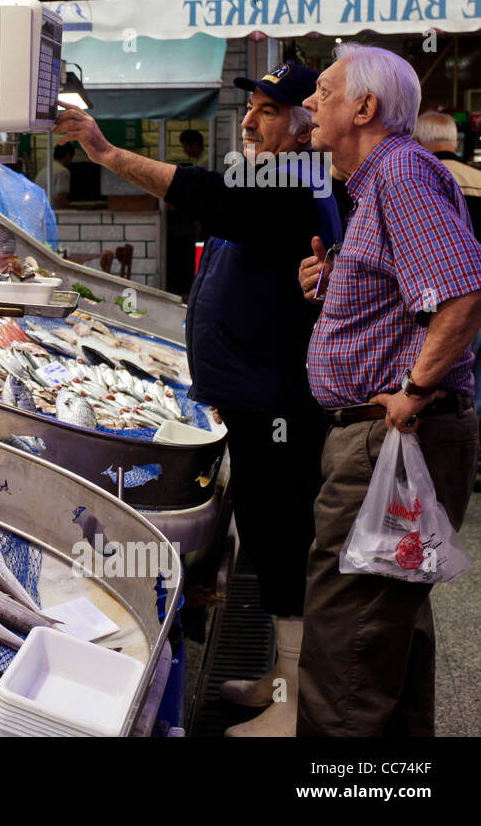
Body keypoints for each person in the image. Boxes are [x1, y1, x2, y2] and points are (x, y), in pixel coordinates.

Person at [55, 61, 337, 737]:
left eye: (269, 110)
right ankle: (280, 683)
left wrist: (105, 152)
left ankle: (295, 707)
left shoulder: (297, 179)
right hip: (249, 397)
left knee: (282, 540)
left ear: (305, 128)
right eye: (253, 107)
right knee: (269, 542)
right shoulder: (284, 177)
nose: (249, 120)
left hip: (277, 404)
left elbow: (205, 193)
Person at [296, 43, 481, 736]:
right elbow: (414, 294)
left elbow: (461, 296)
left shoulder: (400, 173)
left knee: (348, 650)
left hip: (395, 438)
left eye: (323, 90)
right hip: (388, 438)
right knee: (386, 639)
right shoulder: (376, 184)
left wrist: (413, 389)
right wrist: (336, 279)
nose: (310, 104)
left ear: (364, 107)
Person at [413, 110, 481, 480]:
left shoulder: (420, 179)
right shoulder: (478, 178)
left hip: (443, 305)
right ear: (454, 140)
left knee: (447, 385)